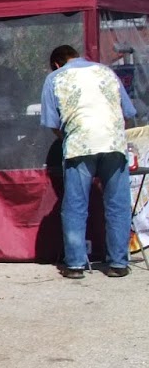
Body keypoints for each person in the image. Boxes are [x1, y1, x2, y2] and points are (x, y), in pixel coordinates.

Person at [40, 44, 135, 278]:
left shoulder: (54, 78)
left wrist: (69, 136)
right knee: (117, 205)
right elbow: (129, 111)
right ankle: (118, 264)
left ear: (56, 63)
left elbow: (52, 123)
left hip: (79, 144)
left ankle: (75, 265)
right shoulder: (107, 71)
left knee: (75, 206)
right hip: (113, 142)